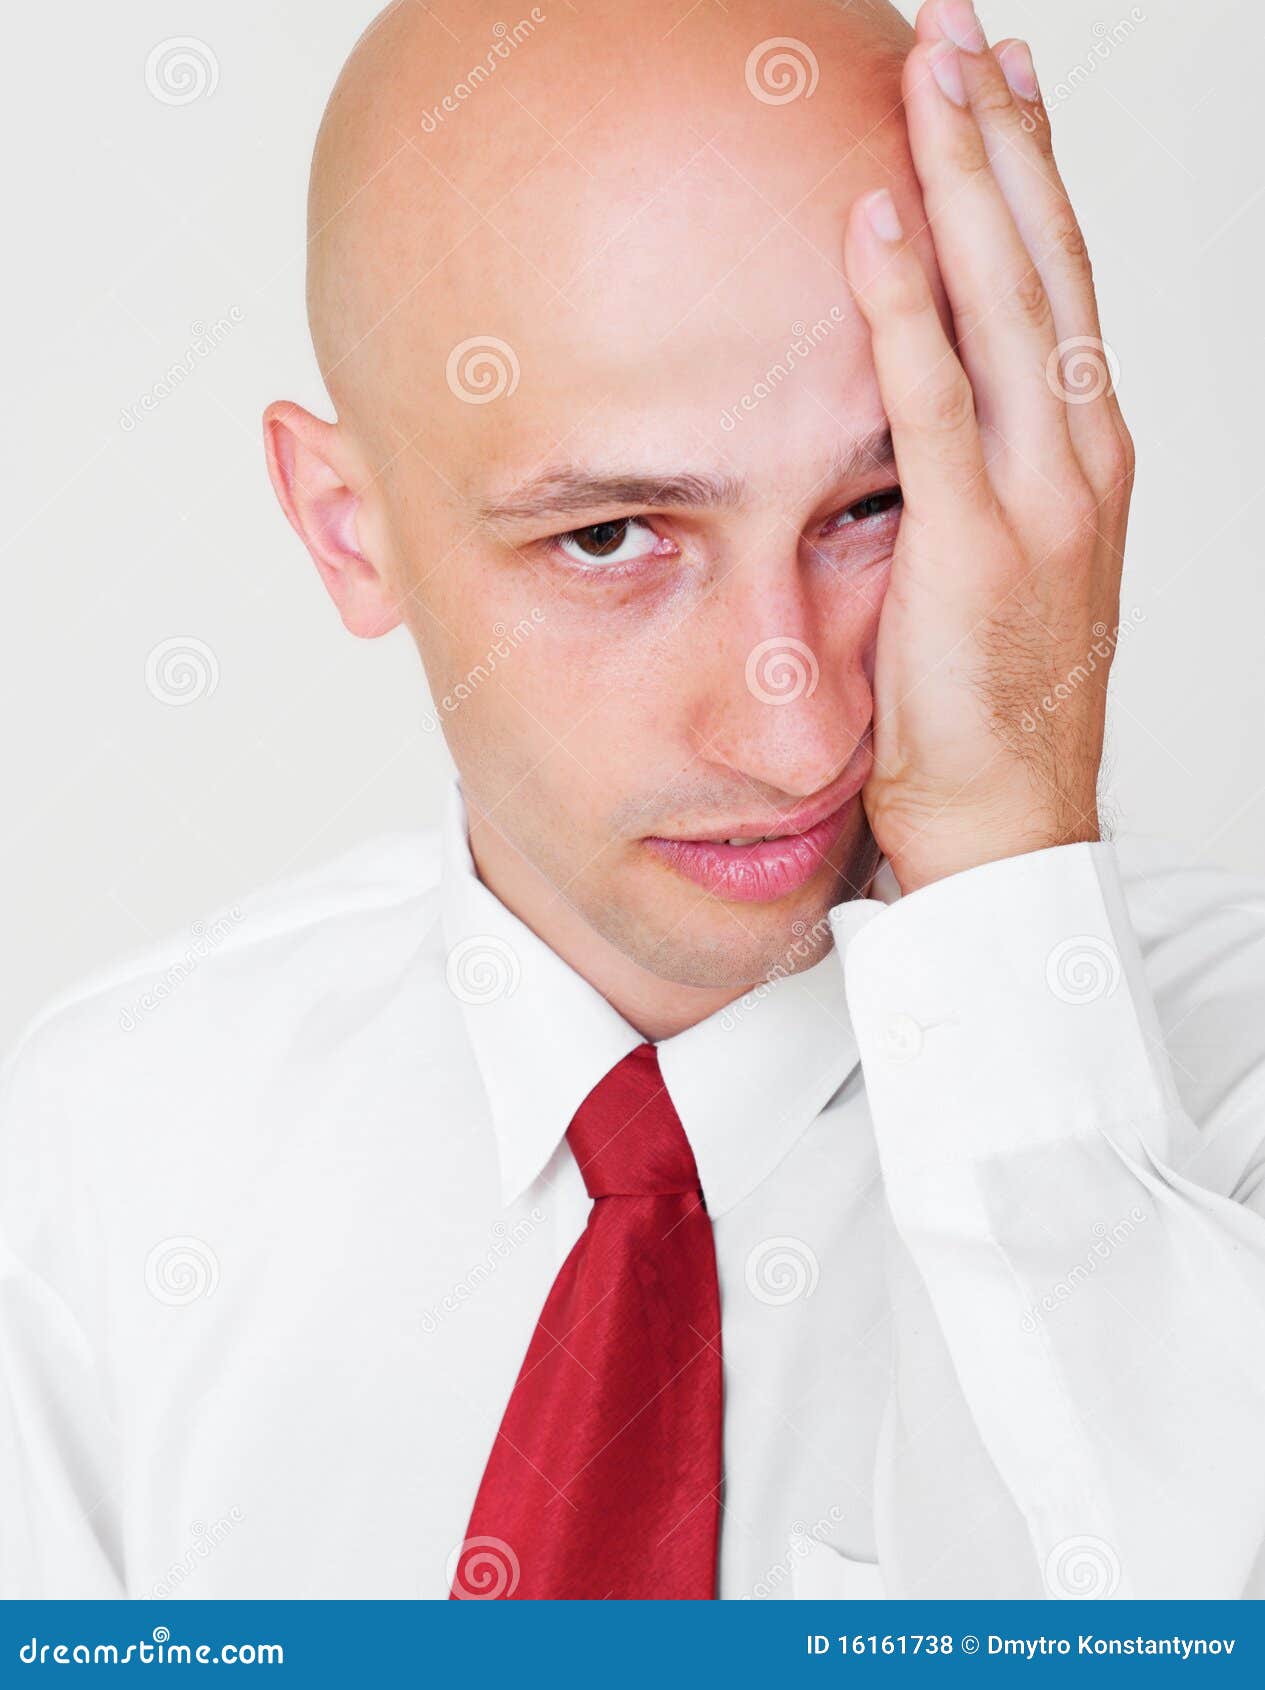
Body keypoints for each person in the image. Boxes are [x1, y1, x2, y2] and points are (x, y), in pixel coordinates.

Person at [3, 0, 1263, 1601]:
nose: (794, 730)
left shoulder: (1223, 1094)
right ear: (343, 526)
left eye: (876, 503)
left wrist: (1007, 866)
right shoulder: (107, 1154)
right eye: (609, 538)